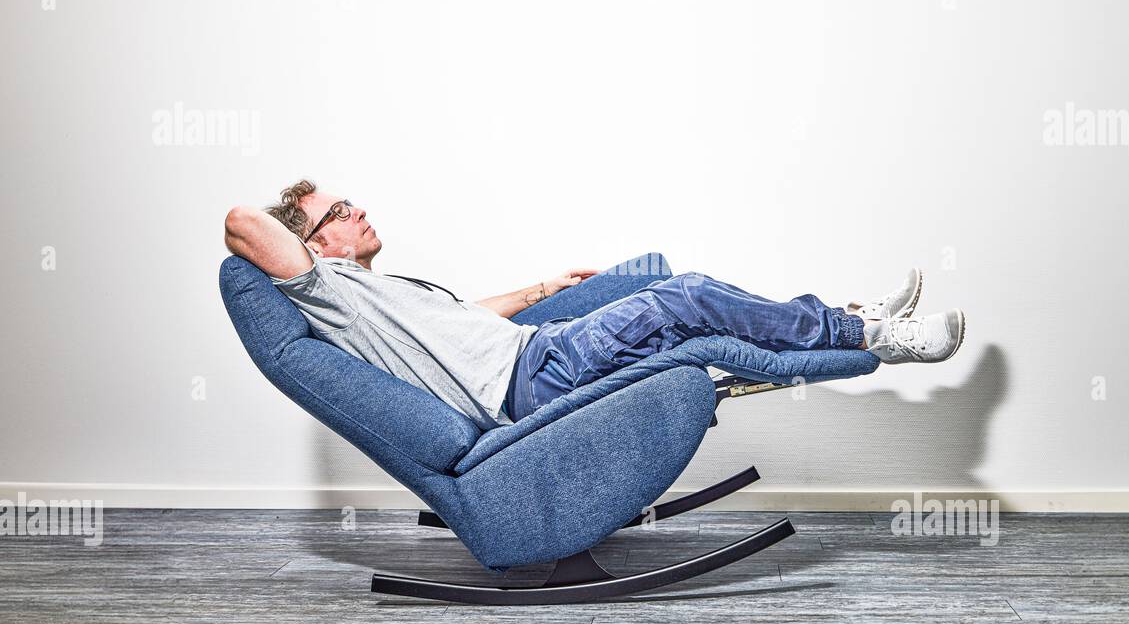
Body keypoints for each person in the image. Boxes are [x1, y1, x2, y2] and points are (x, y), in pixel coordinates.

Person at [223, 179, 966, 429]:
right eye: (339, 211)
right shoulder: (331, 291)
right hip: (534, 379)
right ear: (315, 248)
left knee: (660, 281)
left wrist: (547, 287)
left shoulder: (382, 292)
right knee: (688, 297)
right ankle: (870, 331)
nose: (358, 212)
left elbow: (471, 317)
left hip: (535, 354)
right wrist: (301, 243)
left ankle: (850, 316)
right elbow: (240, 225)